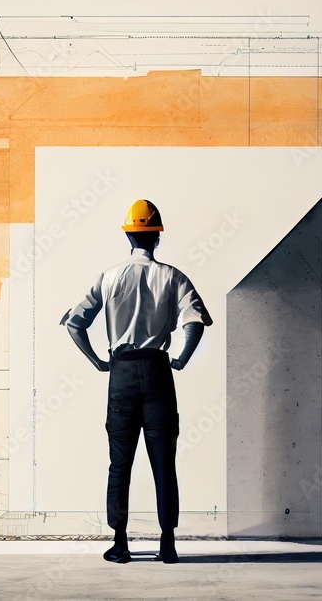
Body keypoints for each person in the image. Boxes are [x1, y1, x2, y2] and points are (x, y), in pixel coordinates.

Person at [60, 199, 212, 564]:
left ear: (128, 236)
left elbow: (75, 324)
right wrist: (181, 359)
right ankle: (168, 543)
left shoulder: (109, 276)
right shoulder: (173, 277)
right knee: (164, 463)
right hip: (158, 373)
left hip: (122, 373)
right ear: (157, 238)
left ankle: (120, 544)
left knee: (119, 464)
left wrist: (98, 361)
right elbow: (194, 321)